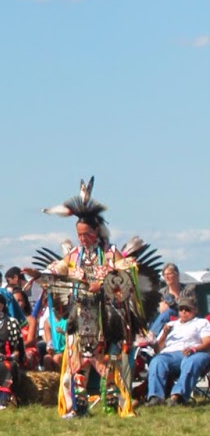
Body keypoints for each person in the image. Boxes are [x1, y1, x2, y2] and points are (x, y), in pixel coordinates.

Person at [36, 177, 148, 418]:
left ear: (96, 231)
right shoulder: (74, 255)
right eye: (79, 235)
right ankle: (75, 408)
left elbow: (127, 269)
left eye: (86, 234)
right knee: (75, 365)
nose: (82, 239)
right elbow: (59, 267)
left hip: (107, 319)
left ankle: (116, 405)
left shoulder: (110, 254)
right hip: (80, 317)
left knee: (112, 363)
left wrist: (105, 281)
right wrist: (45, 273)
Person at [144, 296, 210, 406]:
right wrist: (164, 334)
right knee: (157, 361)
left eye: (187, 309)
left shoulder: (201, 322)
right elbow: (157, 350)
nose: (184, 312)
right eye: (181, 309)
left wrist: (194, 349)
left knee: (191, 361)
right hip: (170, 355)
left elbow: (207, 342)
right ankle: (156, 397)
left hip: (196, 353)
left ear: (195, 310)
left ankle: (178, 396)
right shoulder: (171, 325)